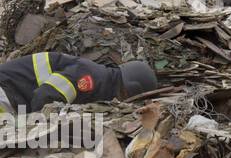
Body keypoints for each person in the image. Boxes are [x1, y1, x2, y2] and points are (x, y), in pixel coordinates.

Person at [0, 53, 157, 114]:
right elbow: (46, 95)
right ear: (129, 90)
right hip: (6, 93)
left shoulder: (100, 79)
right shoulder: (91, 79)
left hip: (12, 94)